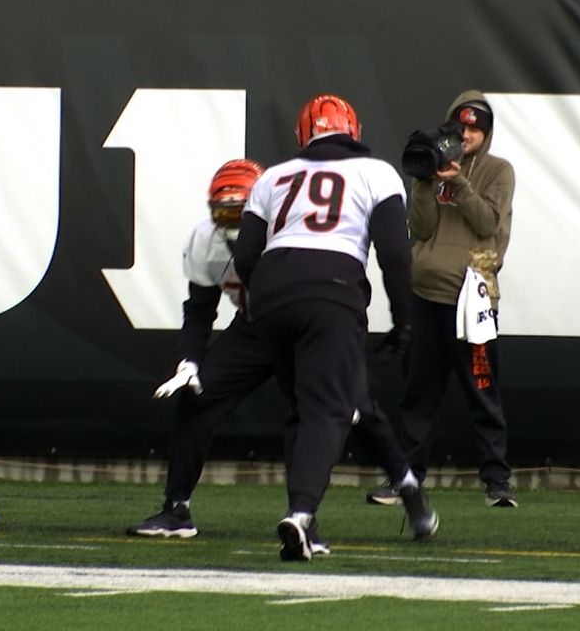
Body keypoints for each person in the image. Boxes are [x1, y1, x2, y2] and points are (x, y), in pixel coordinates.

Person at [127, 159, 433, 552]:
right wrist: (189, 362)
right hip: (254, 330)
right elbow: (200, 308)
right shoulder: (207, 239)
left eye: (242, 213)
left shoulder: (293, 231)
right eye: (224, 213)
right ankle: (177, 509)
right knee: (198, 397)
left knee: (354, 413)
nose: (235, 224)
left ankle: (406, 485)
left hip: (310, 327)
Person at [233, 94, 436, 562]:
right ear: (354, 130)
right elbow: (393, 251)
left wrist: (269, 296)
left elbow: (246, 256)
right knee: (328, 410)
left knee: (335, 407)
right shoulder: (377, 173)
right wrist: (404, 318)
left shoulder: (271, 177)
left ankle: (408, 491)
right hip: (331, 292)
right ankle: (302, 515)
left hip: (272, 294)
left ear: (303, 135)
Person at [368, 91, 517, 508]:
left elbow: (487, 222)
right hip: (425, 294)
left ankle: (497, 482)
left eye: (475, 128)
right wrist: (424, 182)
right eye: (460, 127)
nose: (467, 135)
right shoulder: (432, 165)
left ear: (486, 134)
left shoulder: (498, 170)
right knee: (419, 394)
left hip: (473, 298)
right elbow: (422, 228)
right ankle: (407, 478)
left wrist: (460, 182)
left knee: (482, 390)